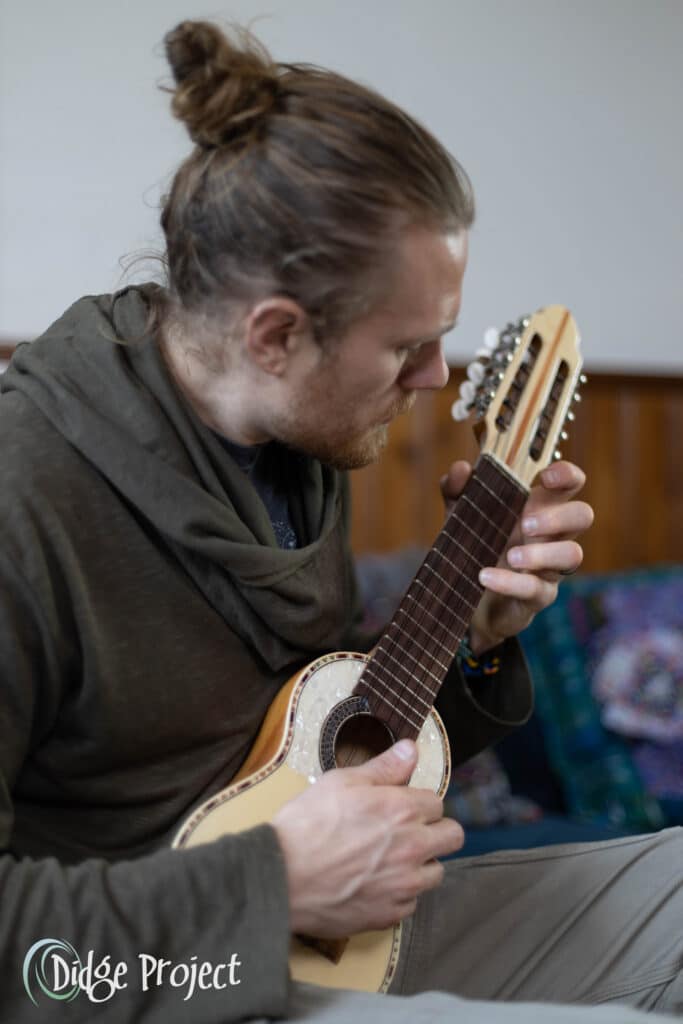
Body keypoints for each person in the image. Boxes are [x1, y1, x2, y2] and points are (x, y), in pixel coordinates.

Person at [0, 18, 680, 1024]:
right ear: (276, 334)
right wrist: (271, 882)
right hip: (146, 982)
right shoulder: (25, 501)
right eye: (405, 346)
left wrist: (480, 638)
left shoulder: (299, 444)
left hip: (331, 938)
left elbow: (310, 762)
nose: (433, 377)